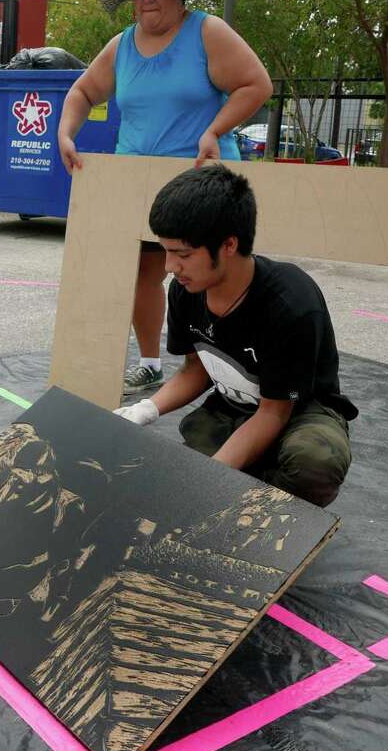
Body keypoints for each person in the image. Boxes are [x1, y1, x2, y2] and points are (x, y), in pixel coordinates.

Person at [57, 0, 272, 394]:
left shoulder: (207, 32)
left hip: (201, 181)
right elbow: (81, 93)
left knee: (211, 275)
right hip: (137, 185)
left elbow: (256, 85)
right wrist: (65, 133)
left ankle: (226, 367)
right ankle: (152, 363)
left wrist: (214, 130)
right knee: (143, 274)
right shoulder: (120, 47)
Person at [114, 165, 357, 508]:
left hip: (298, 411)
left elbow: (274, 413)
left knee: (312, 463)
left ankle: (269, 503)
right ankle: (246, 478)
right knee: (201, 449)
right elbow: (195, 370)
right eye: (165, 250)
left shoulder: (290, 303)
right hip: (233, 409)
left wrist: (213, 480)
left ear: (229, 244)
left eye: (183, 254)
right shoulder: (187, 290)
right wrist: (146, 409)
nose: (170, 266)